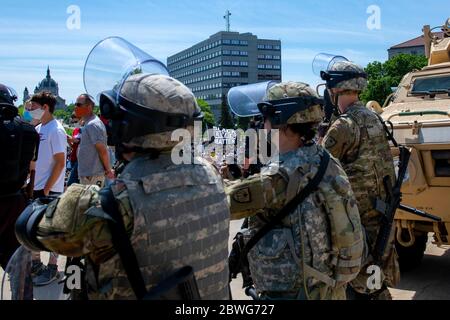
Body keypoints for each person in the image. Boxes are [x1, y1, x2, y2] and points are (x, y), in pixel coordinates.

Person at [16, 74, 231, 300]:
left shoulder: (114, 203)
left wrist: (74, 201)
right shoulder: (211, 178)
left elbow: (28, 229)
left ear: (127, 128)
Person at [225, 82, 365, 300]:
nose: (264, 124)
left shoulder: (280, 175)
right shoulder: (326, 159)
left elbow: (222, 206)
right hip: (329, 289)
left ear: (280, 119)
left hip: (296, 294)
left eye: (267, 116)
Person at [320, 61, 399, 300]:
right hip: (381, 214)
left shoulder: (344, 126)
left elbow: (320, 170)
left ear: (334, 91)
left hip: (357, 222)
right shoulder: (374, 118)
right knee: (374, 280)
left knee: (358, 285)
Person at [25, 91, 67, 285]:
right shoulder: (40, 127)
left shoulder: (55, 129)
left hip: (49, 190)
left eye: (33, 107)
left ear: (45, 108)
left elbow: (60, 162)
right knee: (33, 230)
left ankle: (52, 267)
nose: (30, 110)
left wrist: (48, 189)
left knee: (50, 232)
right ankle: (35, 264)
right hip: (36, 187)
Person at [0, 84, 39, 272]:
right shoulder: (29, 130)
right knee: (19, 271)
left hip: (13, 200)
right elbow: (32, 169)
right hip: (16, 202)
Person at [74, 94, 114, 187]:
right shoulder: (88, 123)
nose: (76, 107)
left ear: (89, 107)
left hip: (92, 176)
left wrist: (108, 170)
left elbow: (102, 150)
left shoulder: (93, 124)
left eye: (79, 105)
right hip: (87, 174)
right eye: (75, 104)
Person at [67, 114, 82, 187]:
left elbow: (78, 141)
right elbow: (73, 145)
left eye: (75, 121)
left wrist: (71, 138)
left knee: (72, 182)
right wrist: (69, 141)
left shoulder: (84, 130)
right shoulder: (75, 130)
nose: (75, 124)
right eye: (73, 122)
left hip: (79, 159)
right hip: (73, 157)